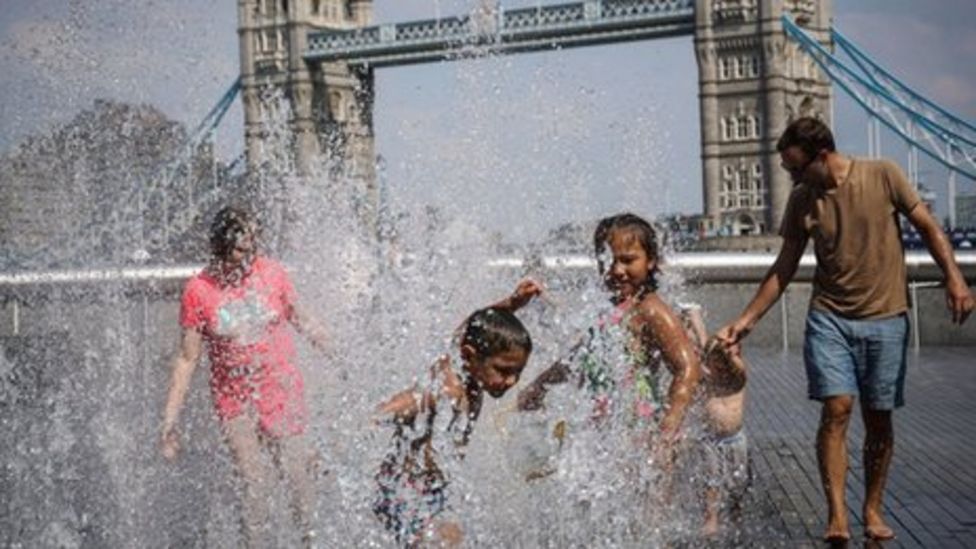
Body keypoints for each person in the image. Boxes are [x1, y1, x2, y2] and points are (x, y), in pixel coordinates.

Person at [716, 117, 975, 542]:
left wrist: (955, 278)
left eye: (797, 168)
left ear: (822, 156)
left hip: (887, 317)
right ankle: (837, 514)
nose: (792, 178)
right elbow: (784, 267)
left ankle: (872, 507)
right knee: (836, 409)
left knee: (878, 420)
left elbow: (929, 227)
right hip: (829, 318)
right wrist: (745, 321)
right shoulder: (803, 199)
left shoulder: (883, 174)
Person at [160, 206, 330, 547]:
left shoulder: (272, 274)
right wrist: (169, 421)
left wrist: (339, 354)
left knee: (300, 482)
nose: (248, 255)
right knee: (255, 482)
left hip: (280, 391)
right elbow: (187, 358)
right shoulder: (199, 290)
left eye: (252, 244)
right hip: (234, 400)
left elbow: (302, 319)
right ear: (220, 246)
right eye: (240, 247)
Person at [517, 213, 702, 479]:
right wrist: (540, 385)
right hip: (601, 429)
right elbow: (580, 357)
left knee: (641, 512)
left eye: (628, 260)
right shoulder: (609, 307)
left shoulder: (650, 310)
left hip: (638, 433)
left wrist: (667, 430)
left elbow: (688, 368)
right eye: (608, 260)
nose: (616, 270)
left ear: (651, 262)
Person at [372, 280, 542, 547]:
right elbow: (396, 406)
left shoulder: (470, 369)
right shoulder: (446, 388)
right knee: (449, 540)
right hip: (405, 491)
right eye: (504, 370)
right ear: (470, 356)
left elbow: (468, 329)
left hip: (433, 491)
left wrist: (511, 304)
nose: (511, 381)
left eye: (517, 373)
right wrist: (369, 423)